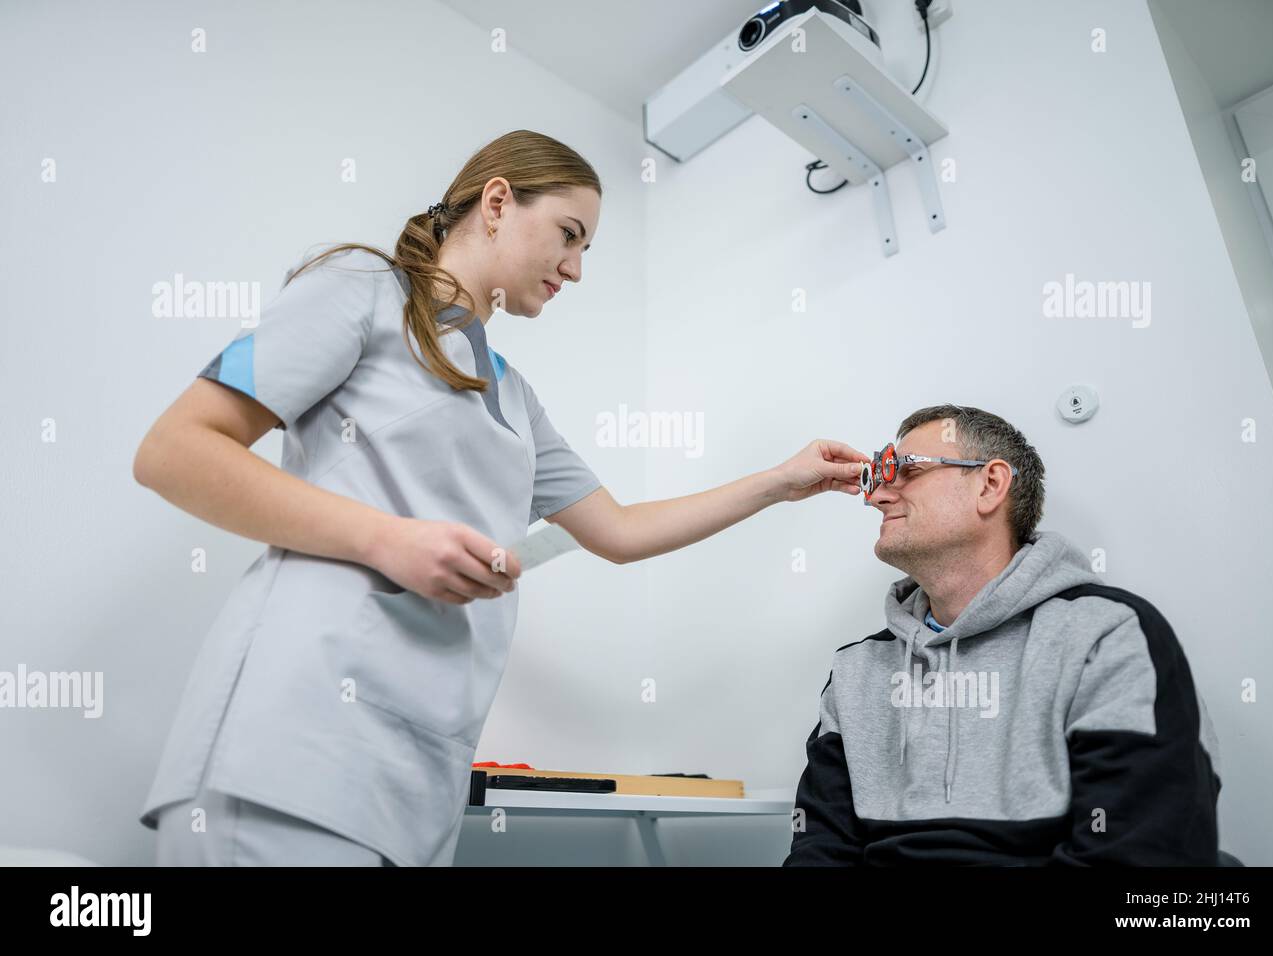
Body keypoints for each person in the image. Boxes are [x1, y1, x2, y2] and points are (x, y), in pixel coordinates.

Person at [133, 129, 869, 866]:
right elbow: (177, 451)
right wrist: (389, 539)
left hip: (418, 778)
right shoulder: (361, 289)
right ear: (496, 203)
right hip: (297, 744)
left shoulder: (514, 397)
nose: (576, 269)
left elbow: (618, 531)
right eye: (568, 235)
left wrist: (779, 482)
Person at [784, 404, 1223, 865]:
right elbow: (820, 848)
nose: (877, 497)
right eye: (880, 476)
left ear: (991, 485)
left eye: (907, 469)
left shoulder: (1105, 635)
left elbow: (1142, 849)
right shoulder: (858, 671)